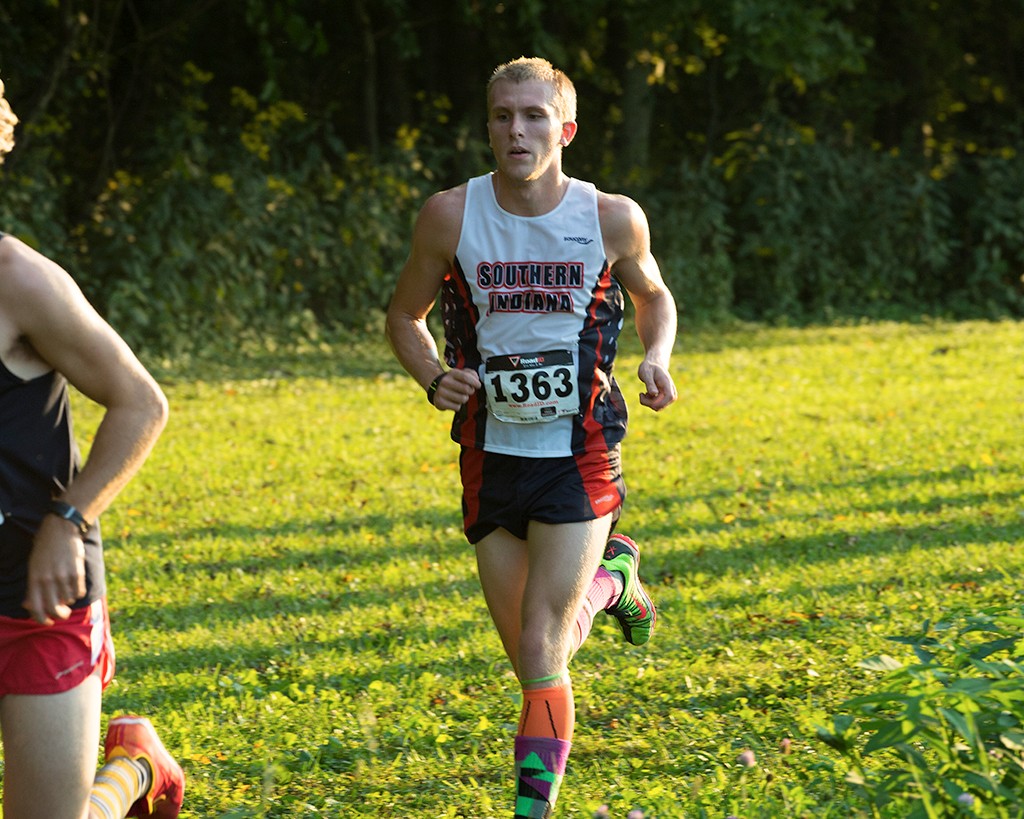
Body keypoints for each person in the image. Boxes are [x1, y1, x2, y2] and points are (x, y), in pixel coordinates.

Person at [386, 56, 678, 817]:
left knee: (545, 643)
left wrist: (656, 355)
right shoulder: (449, 216)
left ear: (566, 129)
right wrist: (431, 375)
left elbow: (654, 295)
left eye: (534, 116)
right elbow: (403, 317)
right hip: (490, 451)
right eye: (502, 116)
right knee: (530, 655)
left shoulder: (611, 216)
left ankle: (529, 809)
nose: (517, 130)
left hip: (580, 451)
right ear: (488, 127)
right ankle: (615, 581)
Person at [0, 79, 184, 819]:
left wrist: (66, 521)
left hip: (34, 588)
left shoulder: (17, 280)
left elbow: (142, 401)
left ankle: (135, 765)